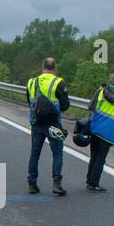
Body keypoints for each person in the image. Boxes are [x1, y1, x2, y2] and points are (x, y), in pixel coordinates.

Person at [25, 57, 70, 196]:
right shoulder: (58, 82)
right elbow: (65, 105)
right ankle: (57, 184)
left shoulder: (32, 82)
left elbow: (29, 100)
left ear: (42, 66)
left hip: (36, 122)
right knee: (57, 153)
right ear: (54, 67)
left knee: (35, 153)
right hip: (53, 123)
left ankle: (32, 184)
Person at [84, 73, 114, 192]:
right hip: (108, 132)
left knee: (93, 156)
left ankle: (89, 181)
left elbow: (90, 106)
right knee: (101, 158)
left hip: (95, 128)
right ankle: (94, 183)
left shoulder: (100, 91)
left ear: (110, 80)